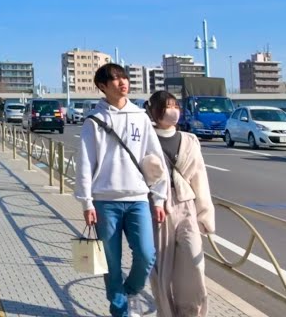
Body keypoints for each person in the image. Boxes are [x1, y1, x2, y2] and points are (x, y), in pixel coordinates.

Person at [76, 63, 168, 317]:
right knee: (111, 264)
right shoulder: (94, 121)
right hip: (105, 201)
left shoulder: (140, 117)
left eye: (124, 78)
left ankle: (127, 291)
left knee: (147, 254)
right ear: (102, 87)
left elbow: (155, 159)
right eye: (115, 80)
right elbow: (85, 164)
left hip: (138, 198)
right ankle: (120, 311)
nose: (122, 83)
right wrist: (86, 203)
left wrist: (158, 199)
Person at [145, 90, 215, 317]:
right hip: (157, 208)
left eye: (175, 105)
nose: (173, 110)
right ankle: (166, 313)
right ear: (154, 111)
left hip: (186, 206)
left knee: (195, 264)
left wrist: (205, 214)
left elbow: (200, 178)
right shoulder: (146, 141)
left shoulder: (189, 140)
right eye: (167, 106)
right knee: (161, 269)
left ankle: (191, 312)